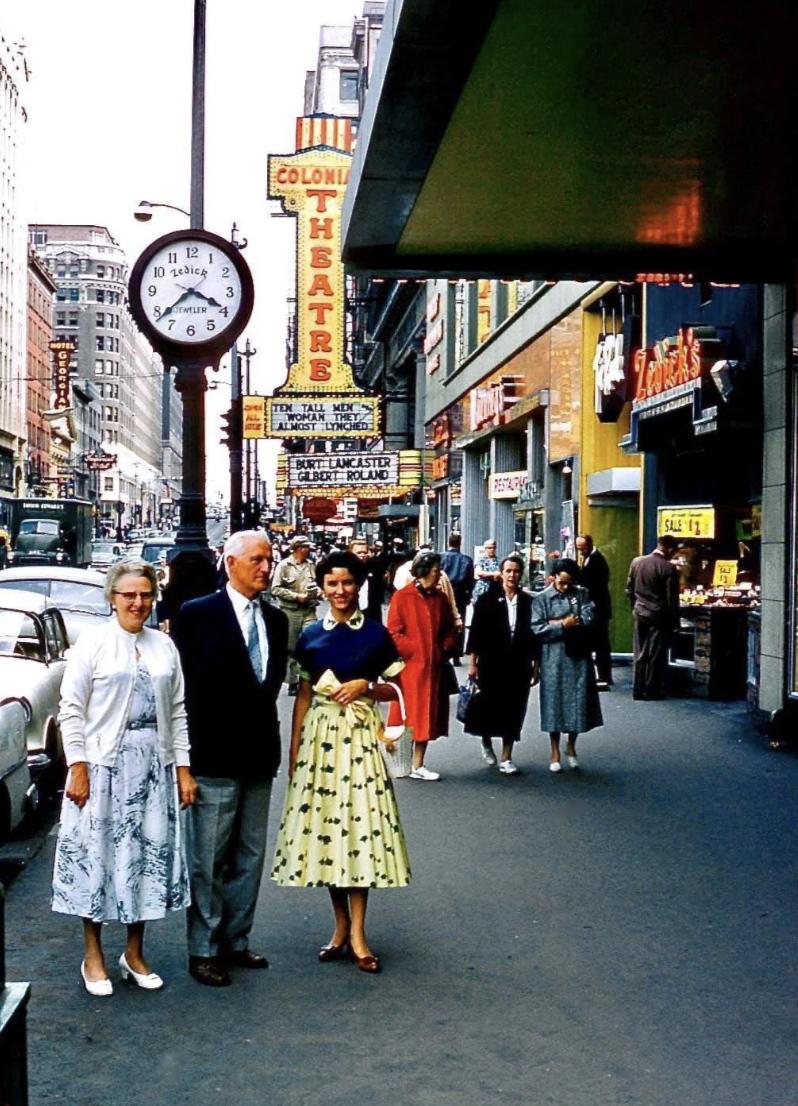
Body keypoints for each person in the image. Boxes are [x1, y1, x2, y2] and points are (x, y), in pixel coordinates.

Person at [52, 558, 196, 996]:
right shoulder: (93, 642)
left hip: (152, 767)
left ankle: (133, 953)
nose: (138, 602)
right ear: (112, 598)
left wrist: (183, 768)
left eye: (146, 595)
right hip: (102, 767)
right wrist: (78, 766)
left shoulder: (163, 645)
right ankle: (92, 954)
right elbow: (71, 709)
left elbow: (177, 711)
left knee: (146, 859)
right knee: (95, 858)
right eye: (129, 595)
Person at [271, 551, 410, 973]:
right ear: (322, 587)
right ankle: (340, 925)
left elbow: (397, 688)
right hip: (321, 741)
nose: (340, 591)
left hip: (361, 738)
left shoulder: (375, 633)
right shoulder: (311, 635)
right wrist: (295, 751)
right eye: (332, 584)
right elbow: (304, 696)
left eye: (347, 582)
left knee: (361, 830)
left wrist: (365, 685)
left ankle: (359, 934)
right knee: (329, 833)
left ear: (359, 584)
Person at [172, 531, 288, 988]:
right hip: (212, 756)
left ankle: (236, 940)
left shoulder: (276, 620)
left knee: (250, 855)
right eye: (257, 559)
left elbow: (271, 686)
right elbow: (181, 691)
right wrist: (183, 761)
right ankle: (203, 948)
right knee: (208, 859)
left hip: (258, 755)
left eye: (269, 560)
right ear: (230, 562)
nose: (266, 567)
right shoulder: (197, 615)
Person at [386, 550, 458, 781]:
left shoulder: (440, 598)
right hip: (410, 668)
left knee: (427, 715)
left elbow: (449, 627)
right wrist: (414, 650)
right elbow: (393, 632)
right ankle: (402, 761)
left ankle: (418, 763)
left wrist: (443, 647)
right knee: (407, 714)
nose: (440, 574)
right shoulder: (402, 597)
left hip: (433, 666)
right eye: (437, 570)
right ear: (425, 571)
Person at [467, 554, 539, 774]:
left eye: (516, 571)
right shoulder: (487, 599)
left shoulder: (528, 602)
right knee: (489, 705)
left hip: (519, 662)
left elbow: (534, 635)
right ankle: (486, 740)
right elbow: (476, 632)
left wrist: (536, 665)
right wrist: (472, 663)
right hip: (491, 661)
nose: (512, 575)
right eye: (508, 571)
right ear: (501, 573)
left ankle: (507, 757)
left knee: (515, 708)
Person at [532, 558, 603, 772]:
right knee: (553, 702)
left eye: (569, 583)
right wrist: (563, 625)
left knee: (578, 700)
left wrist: (561, 622)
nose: (565, 587)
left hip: (578, 654)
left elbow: (589, 617)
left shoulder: (581, 594)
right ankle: (554, 750)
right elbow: (537, 629)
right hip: (553, 657)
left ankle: (571, 745)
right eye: (561, 582)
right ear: (553, 577)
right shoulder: (541, 598)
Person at [625, 535, 681, 701]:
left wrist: (635, 607)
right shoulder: (668, 568)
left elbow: (629, 589)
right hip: (659, 615)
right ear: (669, 549)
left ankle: (638, 688)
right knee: (655, 654)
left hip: (640, 612)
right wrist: (675, 622)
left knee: (639, 652)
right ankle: (651, 690)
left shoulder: (637, 562)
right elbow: (671, 599)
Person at [270, 535, 320, 695]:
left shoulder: (310, 565)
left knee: (313, 643)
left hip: (309, 610)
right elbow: (275, 589)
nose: (309, 550)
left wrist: (317, 592)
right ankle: (292, 681)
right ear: (299, 548)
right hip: (290, 612)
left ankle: (310, 680)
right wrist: (296, 596)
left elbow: (317, 584)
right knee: (291, 648)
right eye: (306, 547)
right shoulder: (284, 566)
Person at [575, 533, 613, 689]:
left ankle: (604, 675)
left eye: (583, 548)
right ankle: (603, 674)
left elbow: (593, 585)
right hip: (597, 607)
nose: (580, 551)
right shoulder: (590, 558)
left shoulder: (597, 561)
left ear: (590, 545)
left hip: (598, 608)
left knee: (601, 643)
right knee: (600, 642)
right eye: (578, 548)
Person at [440, 533, 474, 662]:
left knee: (444, 621)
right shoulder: (466, 560)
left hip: (444, 591)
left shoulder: (441, 558)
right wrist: (469, 594)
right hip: (460, 593)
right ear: (460, 543)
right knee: (459, 621)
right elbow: (470, 579)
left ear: (448, 543)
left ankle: (445, 649)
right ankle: (456, 654)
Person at [348, 537, 385, 622]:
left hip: (370, 614)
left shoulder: (373, 568)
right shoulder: (344, 571)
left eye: (364, 552)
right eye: (359, 553)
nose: (362, 555)